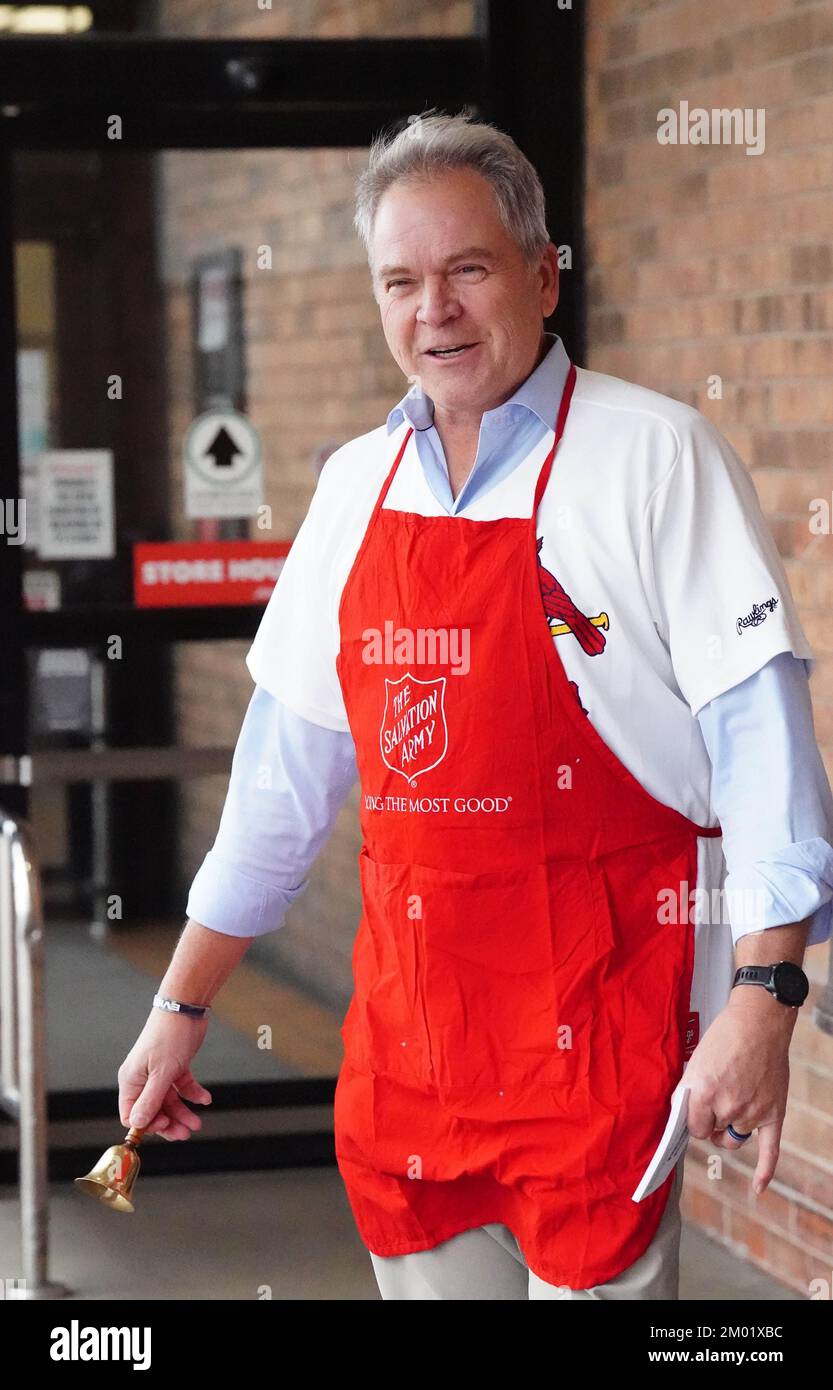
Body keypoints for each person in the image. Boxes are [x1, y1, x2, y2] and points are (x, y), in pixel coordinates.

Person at [118, 110, 833, 1301]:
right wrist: (181, 1002)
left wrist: (764, 1000)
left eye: (466, 269)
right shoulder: (353, 488)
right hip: (412, 1060)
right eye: (399, 280)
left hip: (602, 1045)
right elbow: (277, 793)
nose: (430, 309)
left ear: (543, 276)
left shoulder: (655, 455)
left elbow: (764, 752)